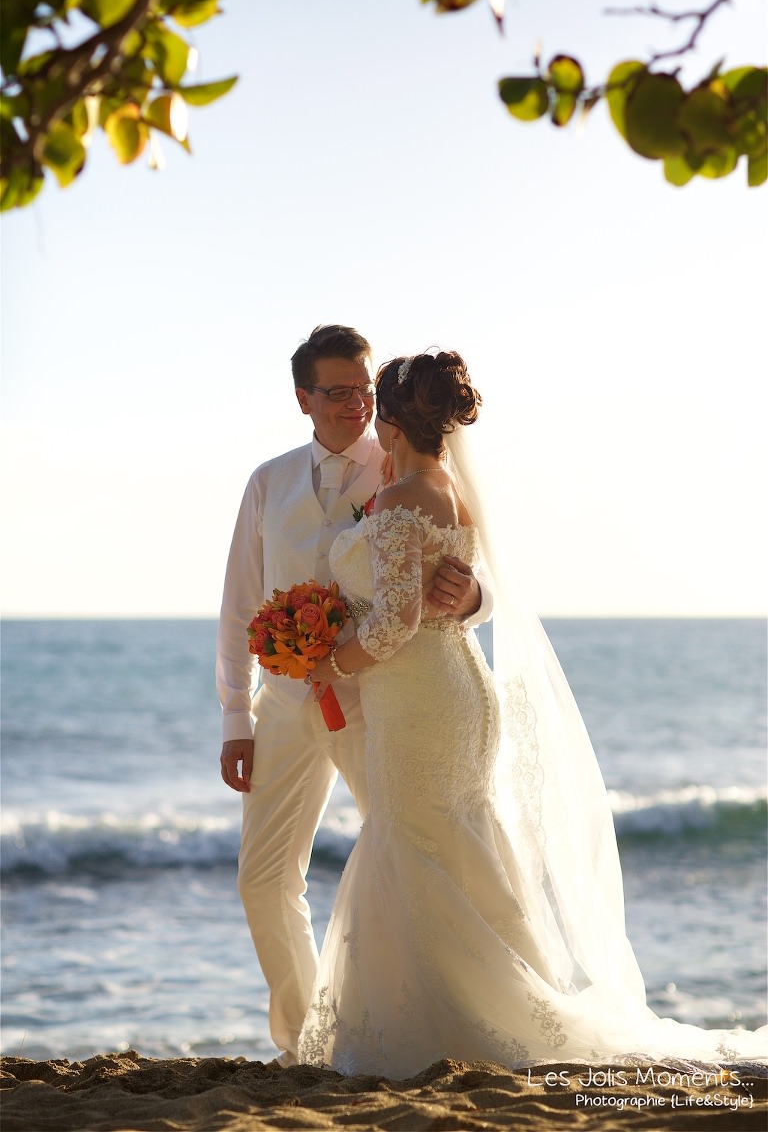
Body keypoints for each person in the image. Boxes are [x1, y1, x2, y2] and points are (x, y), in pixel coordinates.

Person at [298, 349, 767, 1077]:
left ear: (390, 421)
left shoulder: (396, 504)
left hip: (418, 696)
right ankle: (490, 1006)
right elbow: (437, 597)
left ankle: (431, 1025)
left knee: (412, 836)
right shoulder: (452, 490)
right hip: (460, 688)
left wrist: (326, 661)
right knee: (456, 838)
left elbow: (391, 627)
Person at [216, 325, 491, 1067]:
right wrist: (234, 716)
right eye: (338, 391)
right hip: (282, 702)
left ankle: (433, 1024)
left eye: (365, 389)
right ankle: (304, 1040)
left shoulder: (406, 468)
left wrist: (471, 599)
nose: (357, 404)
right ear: (303, 398)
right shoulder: (267, 481)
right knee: (263, 879)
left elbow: (473, 583)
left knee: (411, 860)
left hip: (380, 701)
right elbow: (239, 604)